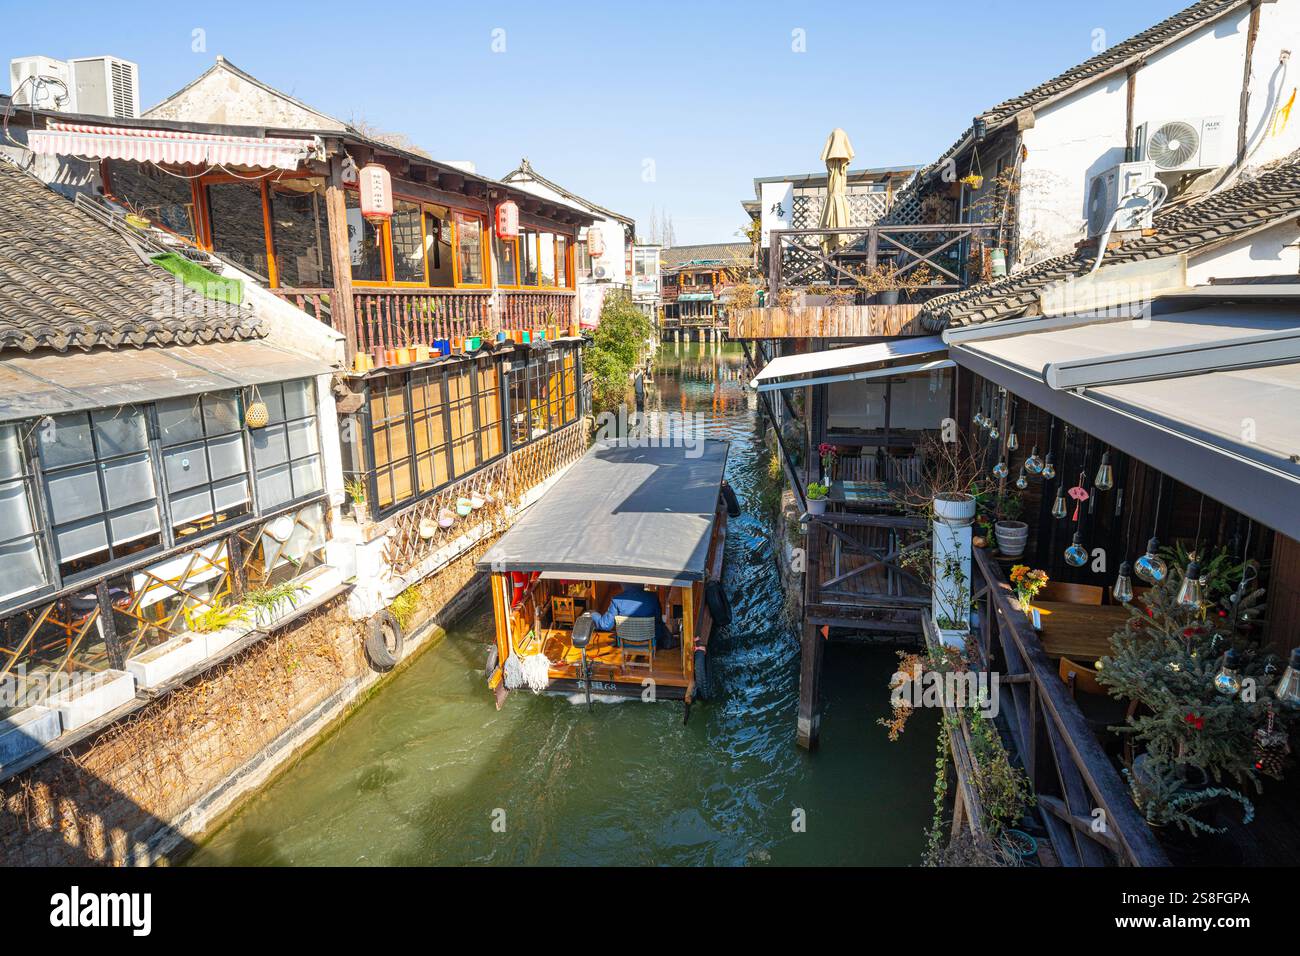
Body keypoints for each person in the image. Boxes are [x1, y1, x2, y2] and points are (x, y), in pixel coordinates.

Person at [588, 583, 675, 649]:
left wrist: (593, 614)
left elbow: (606, 625)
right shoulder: (652, 597)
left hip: (626, 643)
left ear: (623, 584)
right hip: (650, 641)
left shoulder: (617, 599)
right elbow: (658, 619)